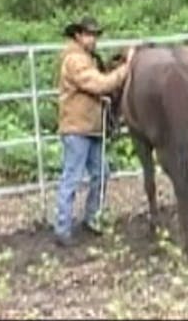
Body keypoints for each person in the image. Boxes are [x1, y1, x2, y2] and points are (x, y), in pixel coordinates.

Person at [53, 15, 134, 247]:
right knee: (72, 176)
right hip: (78, 127)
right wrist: (125, 70)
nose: (93, 39)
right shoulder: (75, 60)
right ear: (78, 36)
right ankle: (63, 227)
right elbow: (98, 84)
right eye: (89, 34)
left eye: (95, 35)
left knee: (101, 173)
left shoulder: (86, 58)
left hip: (90, 127)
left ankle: (91, 218)